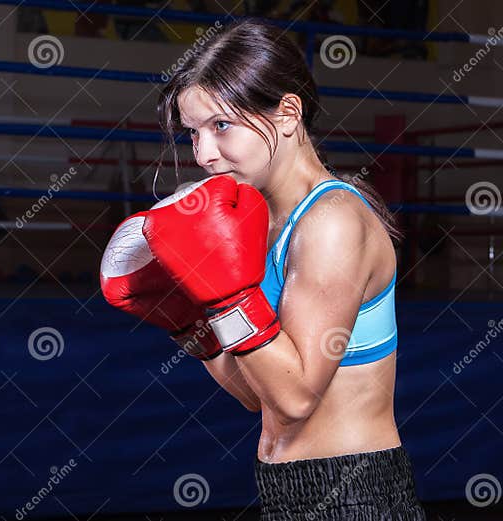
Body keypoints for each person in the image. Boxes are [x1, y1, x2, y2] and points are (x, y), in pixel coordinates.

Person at [100, 18, 426, 521]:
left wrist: (225, 301)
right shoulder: (260, 226)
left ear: (288, 113)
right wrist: (193, 325)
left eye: (221, 125)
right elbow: (259, 396)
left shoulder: (331, 220)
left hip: (355, 496)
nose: (205, 153)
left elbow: (296, 399)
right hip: (285, 491)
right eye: (194, 133)